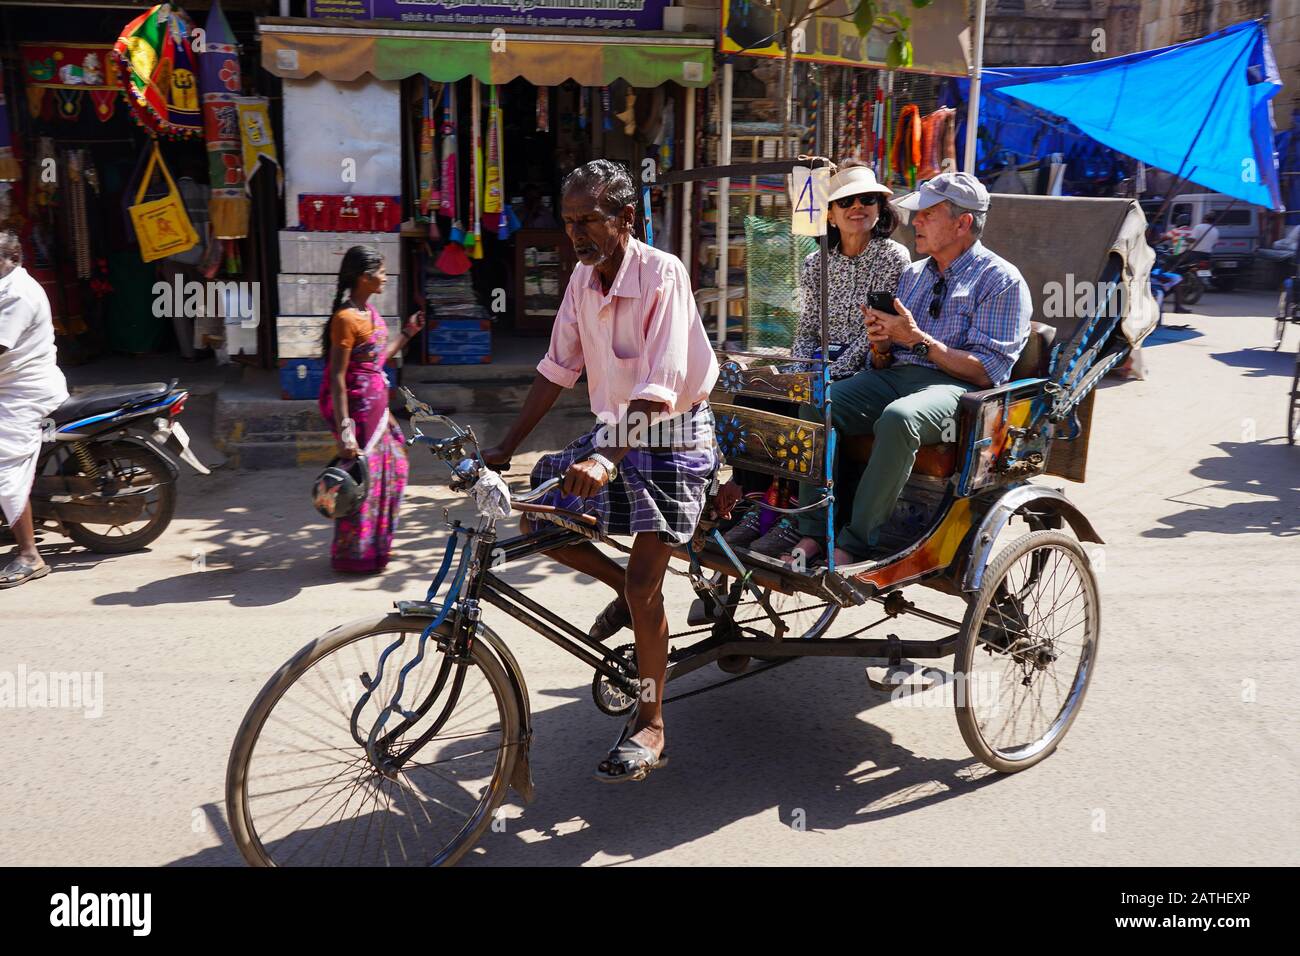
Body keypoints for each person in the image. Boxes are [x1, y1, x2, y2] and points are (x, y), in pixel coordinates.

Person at [481, 159, 719, 783]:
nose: (578, 234)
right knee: (536, 520)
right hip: (615, 437)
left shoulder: (662, 274)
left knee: (646, 584)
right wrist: (501, 449)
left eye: (590, 220)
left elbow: (660, 385)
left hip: (672, 438)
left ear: (627, 219)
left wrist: (605, 458)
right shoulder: (583, 282)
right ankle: (631, 598)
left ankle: (652, 721)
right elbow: (556, 368)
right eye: (569, 222)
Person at [786, 172, 1031, 567]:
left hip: (958, 390)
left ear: (962, 223)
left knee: (900, 419)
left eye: (927, 214)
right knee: (818, 401)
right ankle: (813, 530)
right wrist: (881, 344)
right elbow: (885, 356)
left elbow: (987, 370)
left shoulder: (1001, 280)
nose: (914, 221)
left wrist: (916, 340)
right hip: (894, 376)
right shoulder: (914, 275)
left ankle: (856, 543)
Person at [725, 161, 912, 556]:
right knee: (754, 396)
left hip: (866, 365)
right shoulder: (816, 262)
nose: (856, 207)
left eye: (866, 200)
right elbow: (808, 327)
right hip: (819, 361)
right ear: (830, 212)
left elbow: (879, 329)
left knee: (817, 399)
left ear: (880, 208)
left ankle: (801, 515)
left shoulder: (893, 257)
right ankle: (758, 506)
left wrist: (826, 373)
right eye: (846, 201)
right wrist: (796, 370)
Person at [318, 245, 424, 573]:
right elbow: (337, 376)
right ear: (363, 277)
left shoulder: (368, 313)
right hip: (359, 411)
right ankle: (354, 555)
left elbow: (377, 361)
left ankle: (376, 547)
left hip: (377, 407)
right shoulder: (345, 318)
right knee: (361, 481)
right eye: (380, 272)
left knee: (391, 473)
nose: (384, 277)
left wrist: (408, 332)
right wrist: (345, 428)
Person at [0, 230, 69, 588]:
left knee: (2, 466)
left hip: (24, 394)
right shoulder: (6, 287)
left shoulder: (18, 295)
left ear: (12, 260)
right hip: (10, 387)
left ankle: (30, 555)